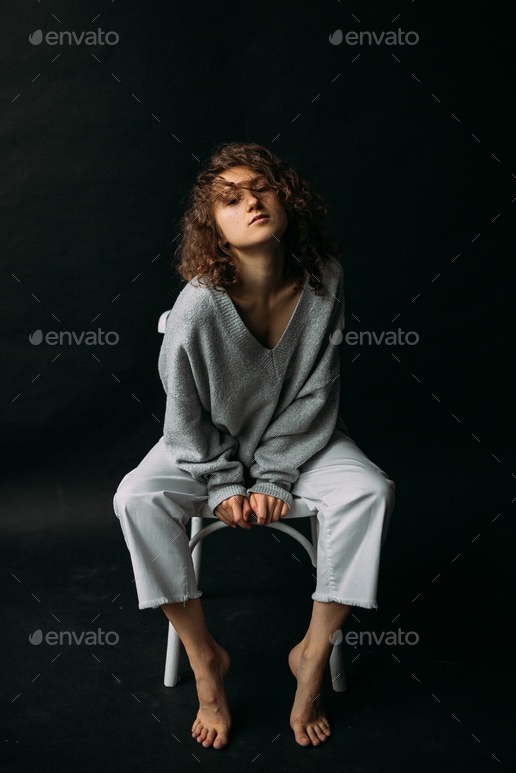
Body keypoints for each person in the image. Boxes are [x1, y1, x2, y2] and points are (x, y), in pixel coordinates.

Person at [113, 141, 395, 750]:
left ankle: (312, 656)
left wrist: (270, 479)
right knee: (136, 498)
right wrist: (223, 484)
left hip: (301, 442)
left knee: (370, 491)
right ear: (213, 225)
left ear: (286, 197)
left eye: (261, 189)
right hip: (204, 447)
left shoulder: (325, 281)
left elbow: (317, 393)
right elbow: (183, 415)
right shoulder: (197, 305)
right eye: (231, 199)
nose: (252, 203)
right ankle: (205, 660)